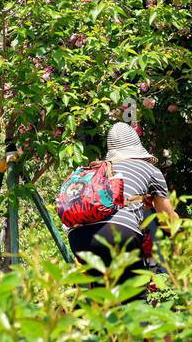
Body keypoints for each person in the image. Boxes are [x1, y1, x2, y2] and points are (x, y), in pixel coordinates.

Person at [66, 122, 176, 290]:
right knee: (134, 300)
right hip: (119, 234)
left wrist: (139, 202)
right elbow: (168, 221)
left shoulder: (99, 170)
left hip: (79, 237)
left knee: (103, 301)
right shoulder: (149, 169)